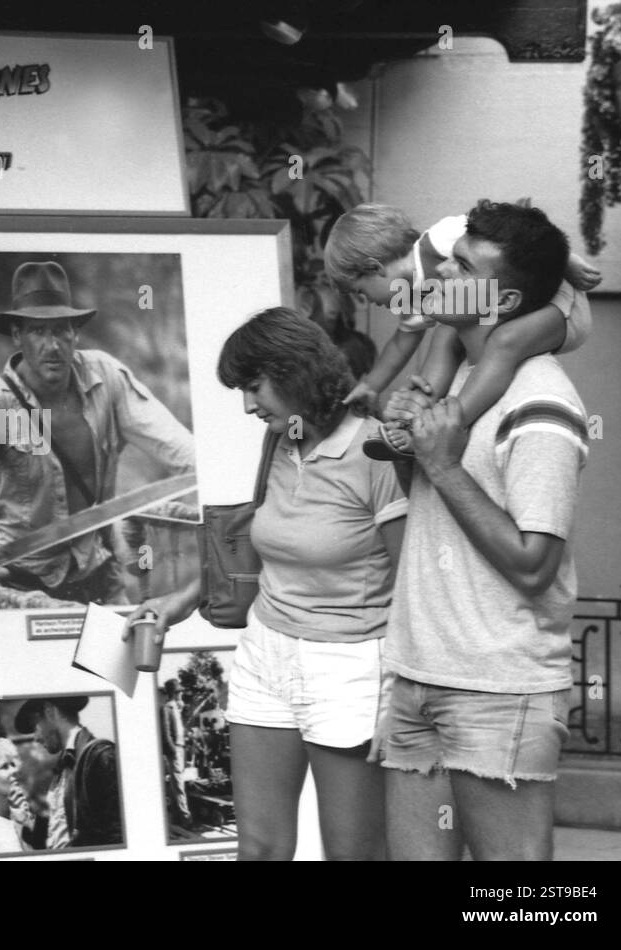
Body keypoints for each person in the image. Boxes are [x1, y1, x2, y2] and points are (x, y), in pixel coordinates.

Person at [127, 308, 407, 860]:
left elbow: (411, 582)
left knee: (352, 854)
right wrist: (178, 602)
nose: (249, 405)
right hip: (265, 656)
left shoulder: (377, 452)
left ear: (297, 371)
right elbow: (257, 540)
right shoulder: (281, 440)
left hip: (348, 668)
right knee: (257, 849)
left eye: (254, 387)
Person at [377, 200, 589, 861]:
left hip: (499, 687)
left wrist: (441, 464)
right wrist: (410, 447)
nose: (439, 275)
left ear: (502, 300)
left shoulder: (541, 402)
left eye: (461, 267)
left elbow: (534, 566)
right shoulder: (455, 381)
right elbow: (431, 501)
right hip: (419, 672)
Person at [0, 260, 196, 605]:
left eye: (61, 330)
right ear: (17, 335)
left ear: (74, 333)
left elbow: (183, 452)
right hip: (20, 578)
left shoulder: (107, 378)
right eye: (38, 331)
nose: (52, 345)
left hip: (96, 569)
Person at [324, 203, 599, 460]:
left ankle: (448, 425)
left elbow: (520, 238)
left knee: (506, 340)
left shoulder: (438, 242)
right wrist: (371, 386)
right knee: (444, 333)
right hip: (511, 297)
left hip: (565, 305)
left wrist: (567, 262)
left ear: (375, 268)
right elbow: (400, 342)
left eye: (361, 291)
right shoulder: (416, 298)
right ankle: (416, 417)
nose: (367, 301)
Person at [15, 696, 122, 850]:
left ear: (50, 711)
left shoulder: (101, 756)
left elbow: (117, 835)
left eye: (35, 725)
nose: (36, 738)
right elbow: (57, 836)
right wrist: (27, 824)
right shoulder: (62, 768)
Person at [160, 678, 193, 829]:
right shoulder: (167, 708)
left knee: (176, 784)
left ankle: (176, 816)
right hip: (175, 750)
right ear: (174, 693)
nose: (181, 693)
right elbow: (165, 734)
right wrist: (173, 751)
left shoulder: (176, 708)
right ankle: (186, 818)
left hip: (181, 748)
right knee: (179, 785)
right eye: (179, 691)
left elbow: (180, 728)